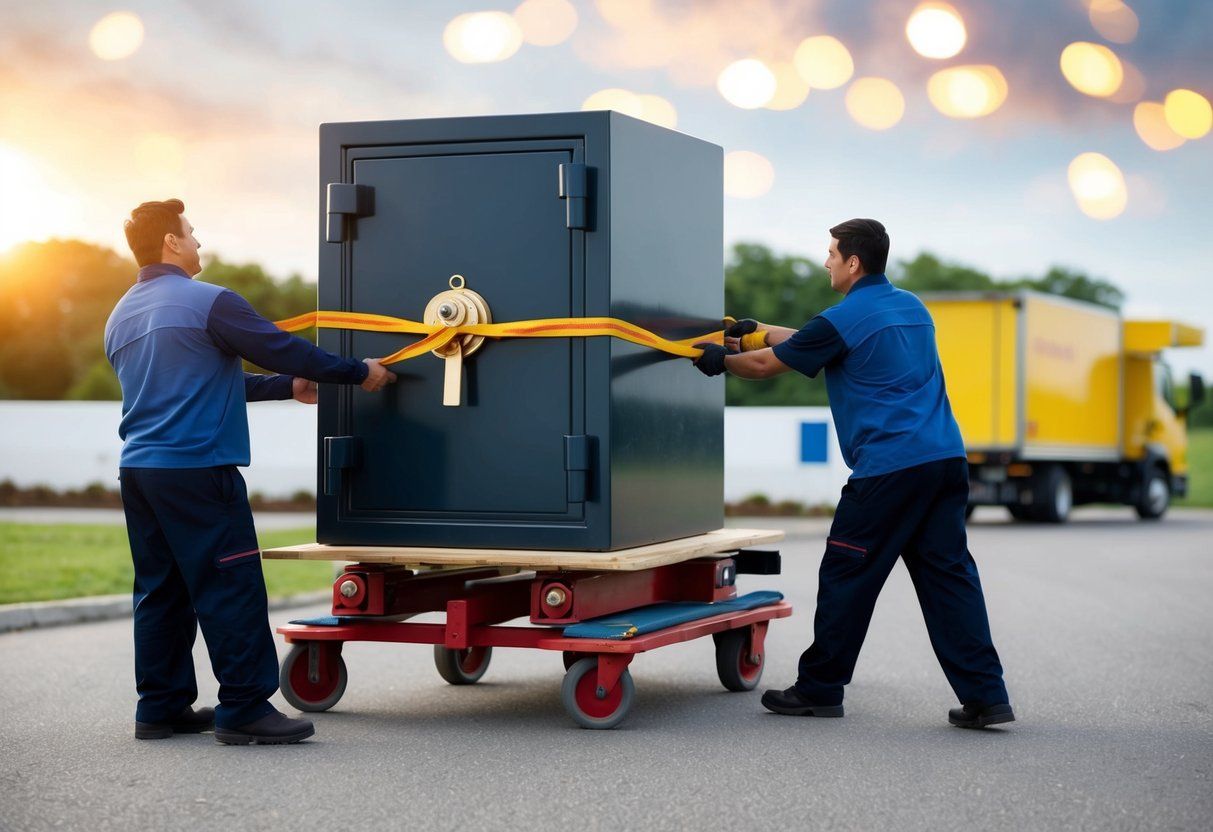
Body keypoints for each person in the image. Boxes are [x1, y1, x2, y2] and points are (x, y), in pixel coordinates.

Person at [693, 218, 1013, 728]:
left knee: (847, 574)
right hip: (945, 462)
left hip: (890, 469)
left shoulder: (846, 318)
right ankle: (986, 696)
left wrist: (720, 361)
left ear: (853, 262)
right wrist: (755, 333)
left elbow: (766, 366)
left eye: (831, 254)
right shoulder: (909, 307)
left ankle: (819, 688)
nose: (826, 263)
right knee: (949, 579)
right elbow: (816, 340)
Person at [105, 199, 397, 744]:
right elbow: (279, 347)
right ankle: (243, 708)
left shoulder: (122, 314)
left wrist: (289, 388)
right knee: (229, 584)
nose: (199, 244)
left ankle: (160, 707)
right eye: (192, 234)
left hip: (141, 472)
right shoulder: (208, 301)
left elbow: (205, 384)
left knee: (160, 590)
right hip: (197, 469)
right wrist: (356, 372)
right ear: (170, 242)